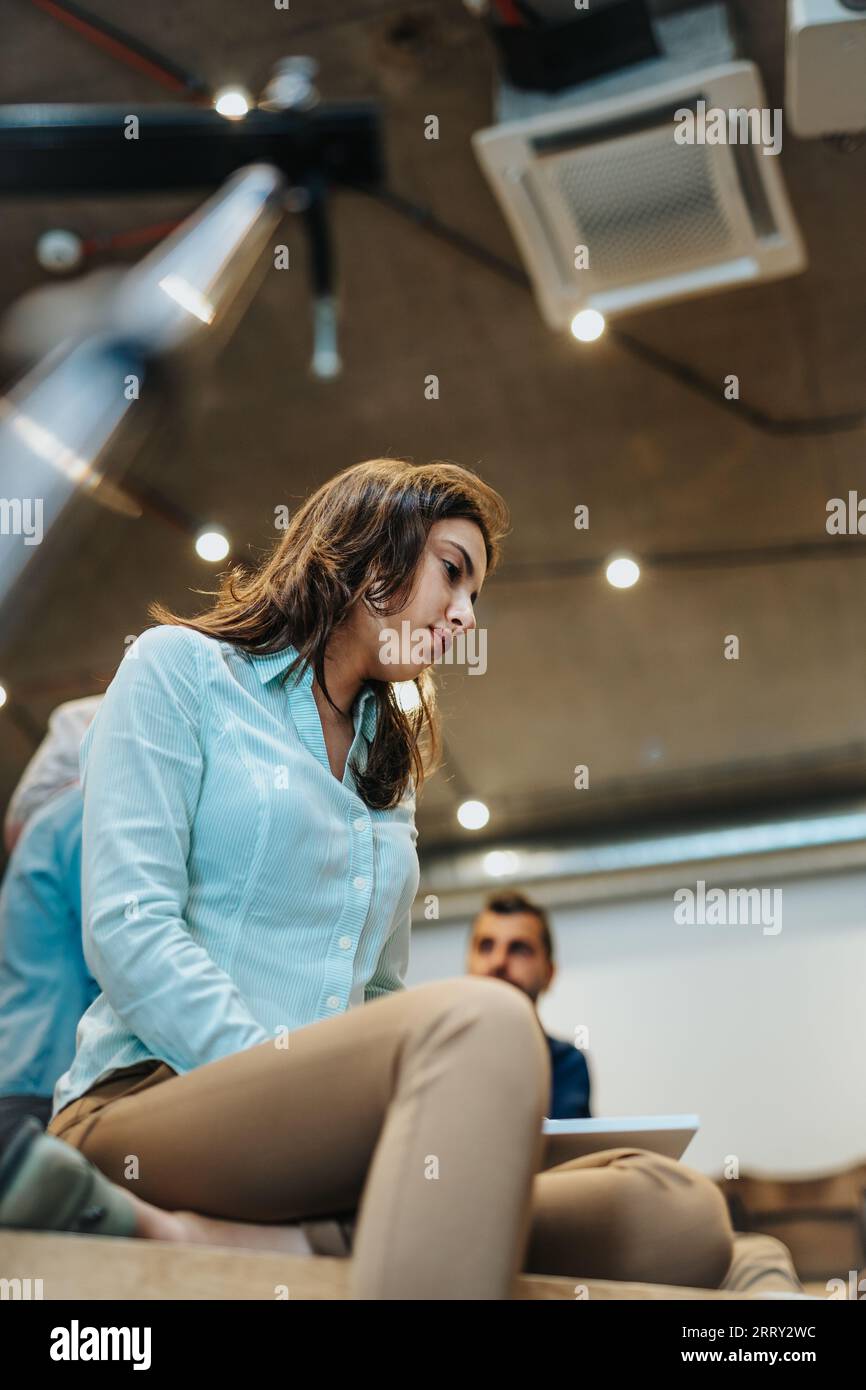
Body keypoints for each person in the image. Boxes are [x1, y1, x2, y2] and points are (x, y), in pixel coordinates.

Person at [4, 458, 734, 1299]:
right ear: (369, 550)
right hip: (151, 1104)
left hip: (322, 1150)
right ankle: (326, 1228)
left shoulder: (387, 773)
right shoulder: (181, 672)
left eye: (474, 601)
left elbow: (380, 994)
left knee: (676, 1211)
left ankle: (272, 1247)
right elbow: (129, 927)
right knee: (485, 1021)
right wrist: (284, 1087)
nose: (462, 618)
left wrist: (445, 1130)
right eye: (452, 574)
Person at [0, 698, 102, 1148]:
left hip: (24, 1072)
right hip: (51, 1079)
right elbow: (117, 950)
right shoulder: (80, 814)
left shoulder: (48, 826)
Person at [467, 890, 591, 1119]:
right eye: (486, 946)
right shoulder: (436, 1060)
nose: (498, 962)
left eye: (519, 949)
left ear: (549, 973)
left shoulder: (567, 1065)